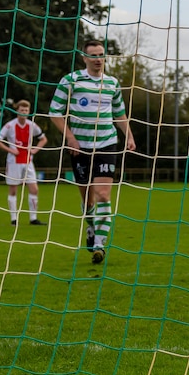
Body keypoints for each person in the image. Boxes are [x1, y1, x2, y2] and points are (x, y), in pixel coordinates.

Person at [49, 39, 137, 265]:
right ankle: (91, 227)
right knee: (87, 200)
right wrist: (70, 137)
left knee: (104, 194)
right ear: (84, 58)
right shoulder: (71, 80)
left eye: (101, 55)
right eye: (94, 55)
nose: (99, 59)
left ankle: (99, 244)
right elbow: (54, 112)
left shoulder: (112, 83)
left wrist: (128, 135)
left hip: (107, 144)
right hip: (80, 148)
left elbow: (119, 113)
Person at [0, 99, 48, 226]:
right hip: (14, 162)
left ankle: (33, 218)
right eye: (21, 110)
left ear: (29, 112)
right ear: (17, 111)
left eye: (26, 110)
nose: (24, 112)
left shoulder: (32, 125)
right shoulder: (10, 125)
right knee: (13, 190)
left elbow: (43, 139)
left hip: (28, 161)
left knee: (34, 189)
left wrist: (35, 149)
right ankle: (14, 219)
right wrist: (11, 150)